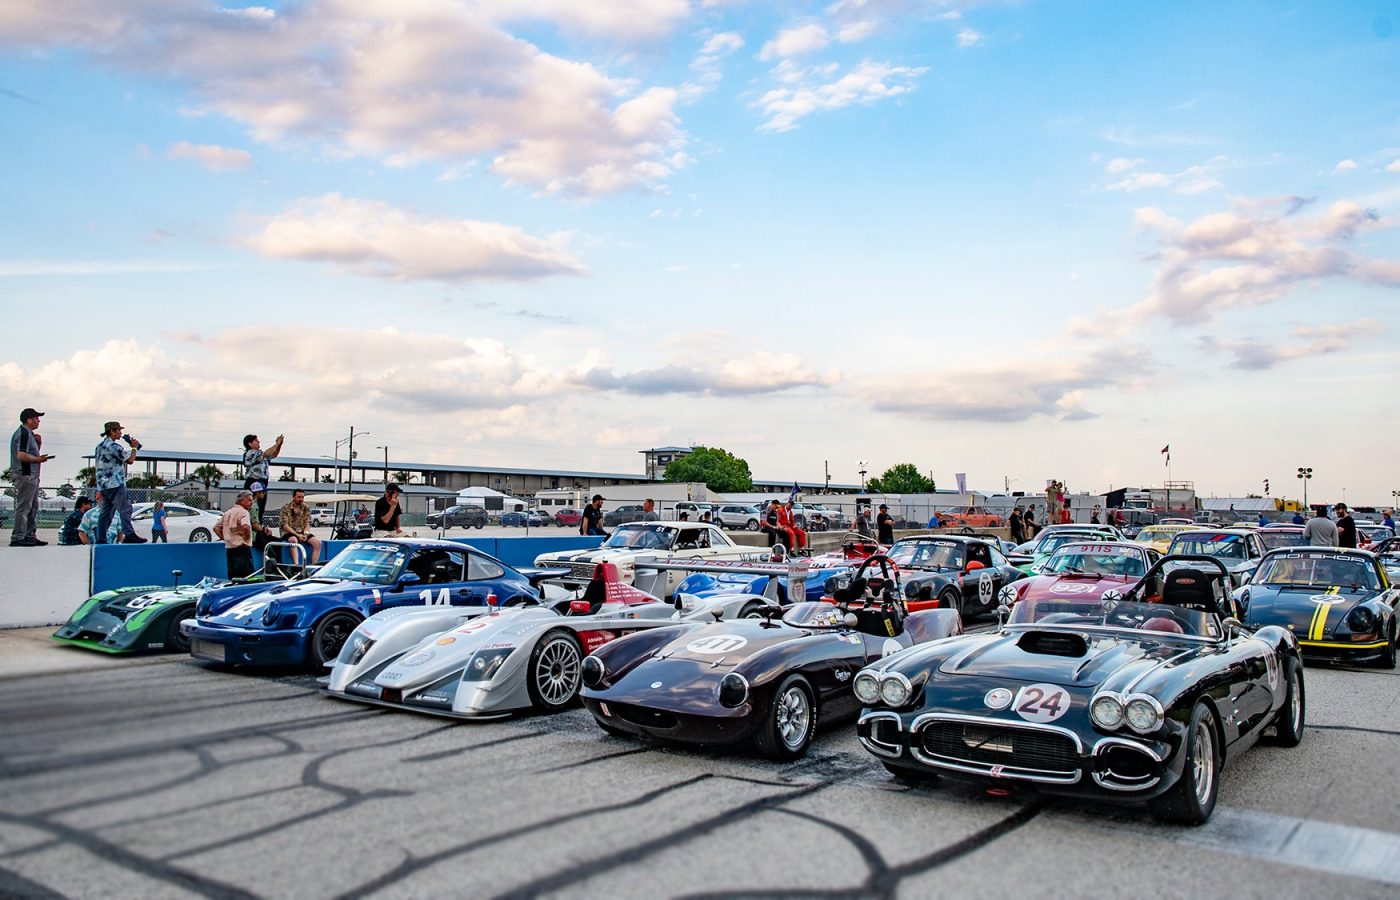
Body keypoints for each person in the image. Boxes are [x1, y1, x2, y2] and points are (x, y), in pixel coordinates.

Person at [94, 421, 146, 544]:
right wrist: (134, 447)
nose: (120, 433)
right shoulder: (115, 447)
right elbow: (130, 460)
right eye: (118, 430)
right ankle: (129, 534)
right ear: (112, 431)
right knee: (126, 508)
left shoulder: (99, 446)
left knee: (106, 513)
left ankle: (100, 538)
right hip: (115, 483)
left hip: (103, 485)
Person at [10, 407, 54, 546]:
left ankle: (29, 535)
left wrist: (38, 445)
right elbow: (21, 455)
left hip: (31, 475)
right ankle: (18, 537)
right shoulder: (23, 433)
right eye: (36, 418)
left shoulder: (29, 434)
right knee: (24, 506)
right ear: (29, 420)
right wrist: (38, 460)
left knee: (32, 506)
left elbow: (28, 452)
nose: (38, 421)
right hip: (25, 475)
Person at [214, 490, 256, 579]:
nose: (251, 503)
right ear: (241, 501)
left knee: (233, 575)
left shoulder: (228, 512)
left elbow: (216, 528)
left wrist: (225, 538)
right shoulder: (244, 512)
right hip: (242, 548)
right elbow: (245, 527)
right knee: (246, 577)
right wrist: (246, 539)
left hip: (230, 549)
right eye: (249, 500)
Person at [279, 488, 322, 564]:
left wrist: (305, 533)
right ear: (293, 497)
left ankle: (313, 565)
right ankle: (296, 565)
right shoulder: (286, 508)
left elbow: (307, 523)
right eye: (299, 497)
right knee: (293, 540)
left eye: (302, 497)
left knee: (317, 543)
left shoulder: (305, 507)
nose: (301, 499)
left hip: (302, 531)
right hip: (289, 532)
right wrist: (298, 535)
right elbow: (285, 526)